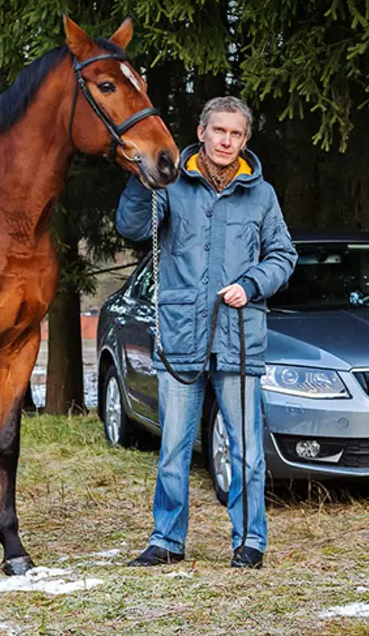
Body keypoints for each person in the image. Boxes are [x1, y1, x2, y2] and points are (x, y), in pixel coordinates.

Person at [115, 96, 297, 569]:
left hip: (238, 336)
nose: (226, 141)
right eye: (220, 131)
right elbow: (131, 228)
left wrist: (252, 284)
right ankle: (166, 540)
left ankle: (250, 541)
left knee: (248, 451)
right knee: (173, 446)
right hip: (180, 336)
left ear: (245, 140)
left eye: (236, 134)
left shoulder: (262, 195)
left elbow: (283, 255)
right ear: (202, 132)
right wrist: (142, 178)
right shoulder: (173, 183)